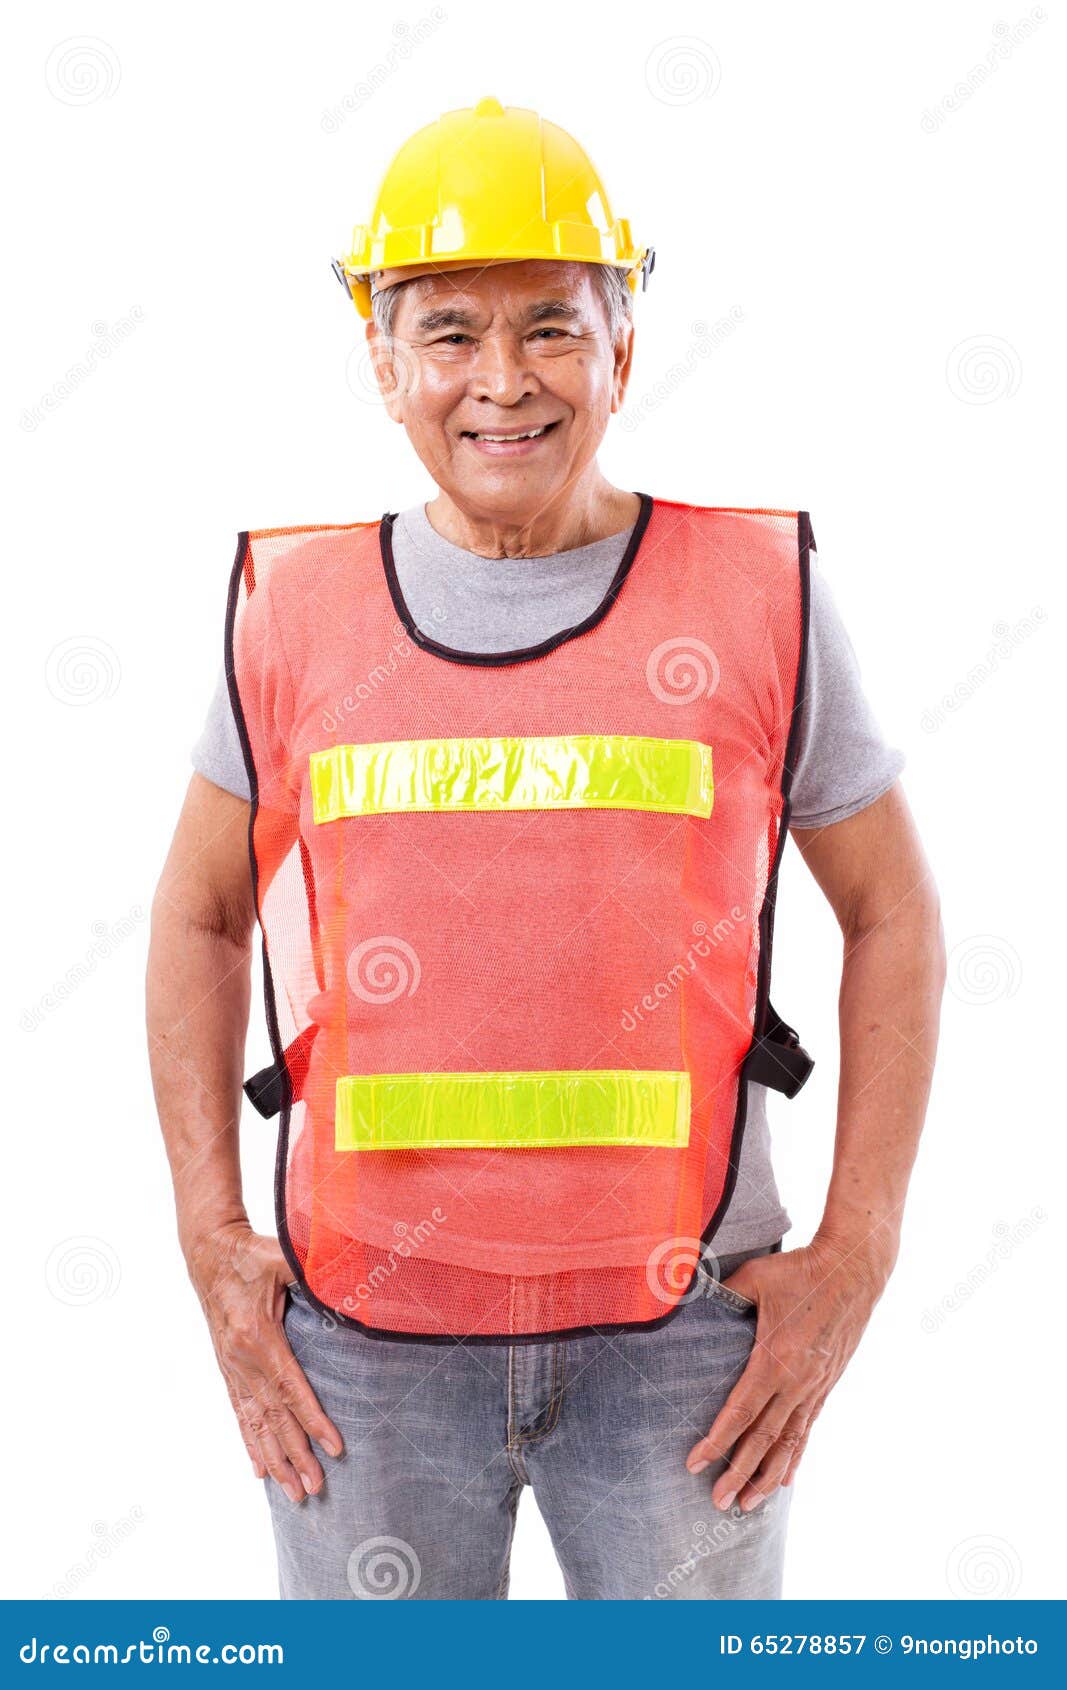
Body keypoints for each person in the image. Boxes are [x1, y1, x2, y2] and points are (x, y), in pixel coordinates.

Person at [145, 96, 946, 1601]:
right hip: (361, 1353)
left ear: (626, 348)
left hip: (685, 1341)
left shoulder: (755, 593)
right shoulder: (293, 612)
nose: (500, 382)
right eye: (447, 330)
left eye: (552, 328)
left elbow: (894, 910)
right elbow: (198, 918)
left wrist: (860, 1247)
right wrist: (209, 1234)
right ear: (381, 363)